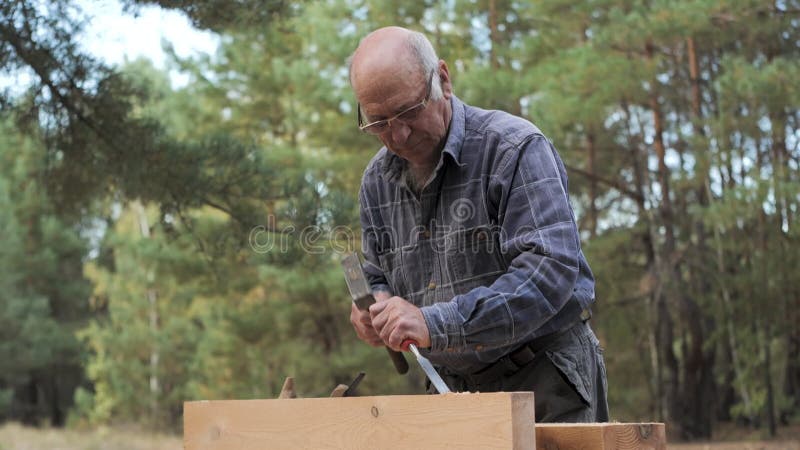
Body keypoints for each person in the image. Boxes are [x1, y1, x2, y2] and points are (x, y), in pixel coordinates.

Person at [347, 26, 609, 423]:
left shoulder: (514, 148)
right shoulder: (376, 182)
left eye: (408, 112)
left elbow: (547, 275)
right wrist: (375, 310)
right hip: (450, 391)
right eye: (378, 122)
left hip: (543, 380)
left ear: (444, 80)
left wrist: (433, 322)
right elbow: (377, 275)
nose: (397, 135)